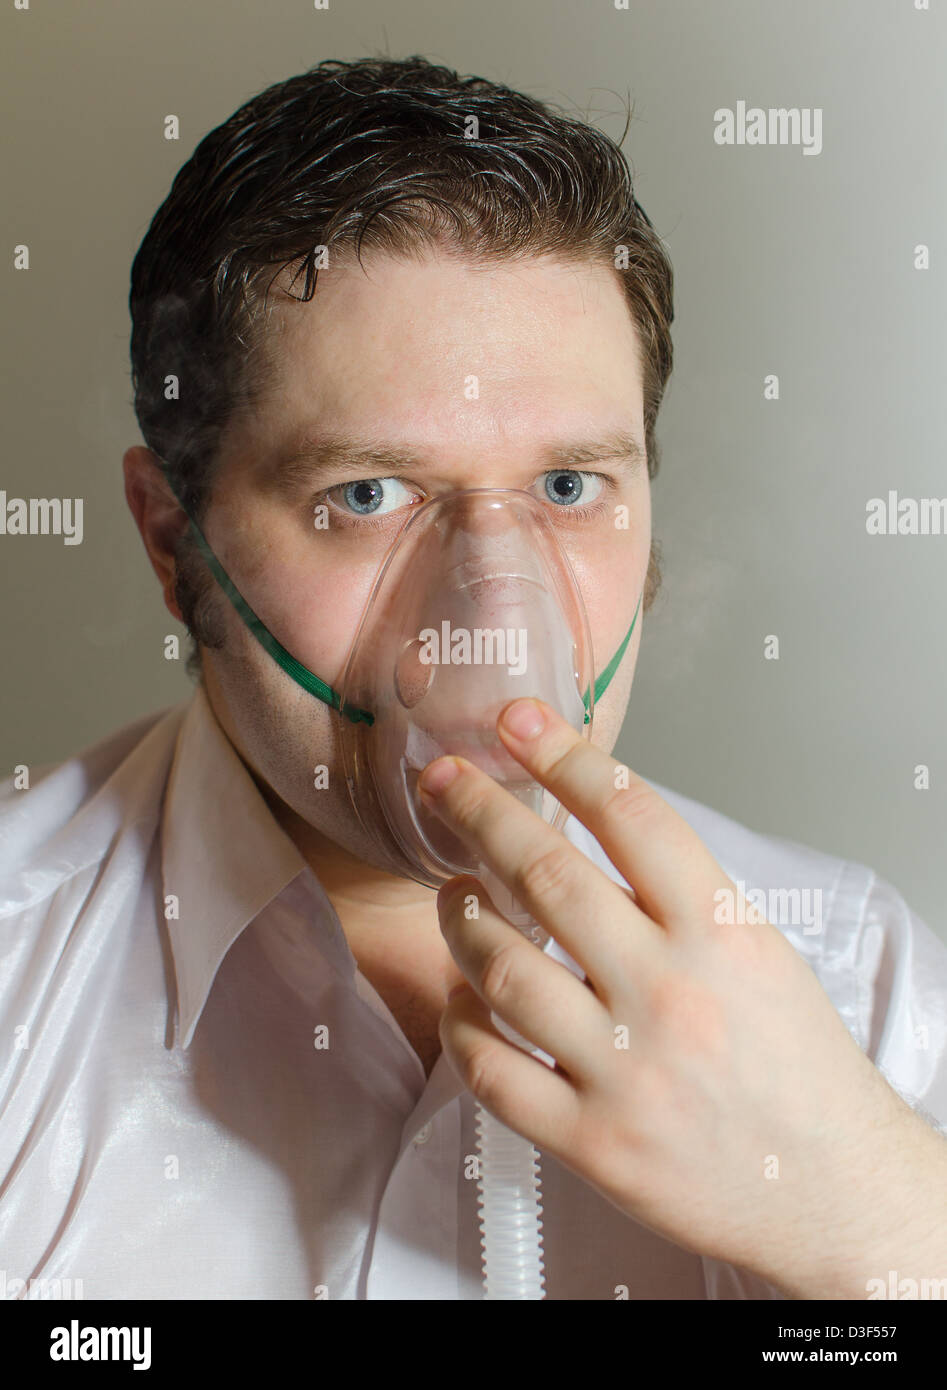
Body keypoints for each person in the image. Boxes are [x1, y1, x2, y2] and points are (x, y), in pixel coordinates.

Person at [1, 55, 945, 1303]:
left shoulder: (852, 987)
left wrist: (868, 1211)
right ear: (175, 542)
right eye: (368, 494)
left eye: (567, 487)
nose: (488, 611)